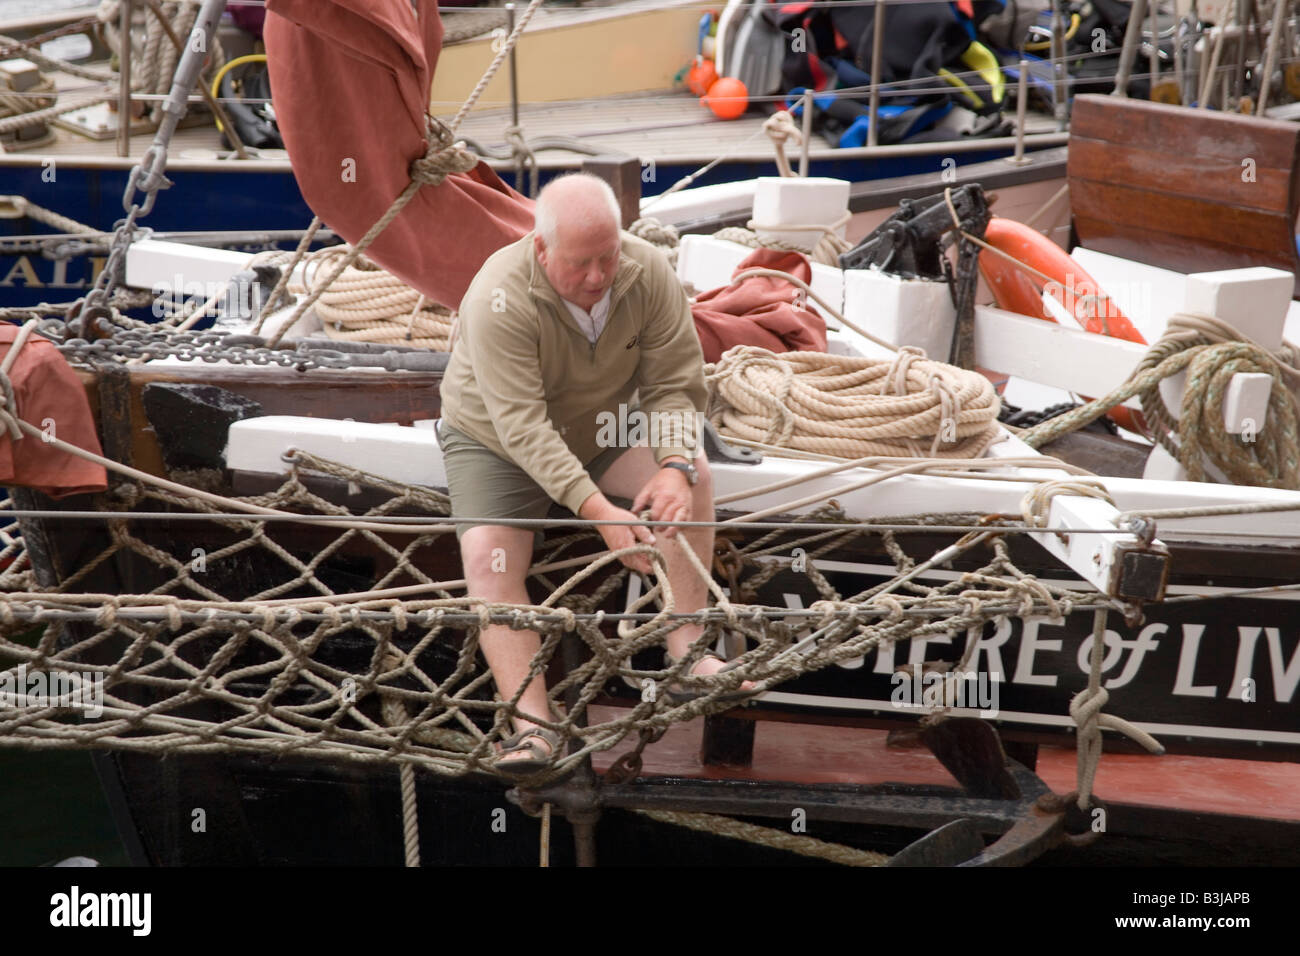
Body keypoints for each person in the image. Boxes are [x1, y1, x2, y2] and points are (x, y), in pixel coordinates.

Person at [437, 173, 746, 774]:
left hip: (601, 426)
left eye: (609, 256)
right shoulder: (497, 296)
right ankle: (533, 728)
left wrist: (676, 468)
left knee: (698, 474)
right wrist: (600, 511)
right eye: (581, 263)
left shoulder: (648, 272)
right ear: (541, 249)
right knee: (490, 565)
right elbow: (522, 426)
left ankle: (687, 652)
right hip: (495, 441)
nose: (600, 276)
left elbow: (676, 385)